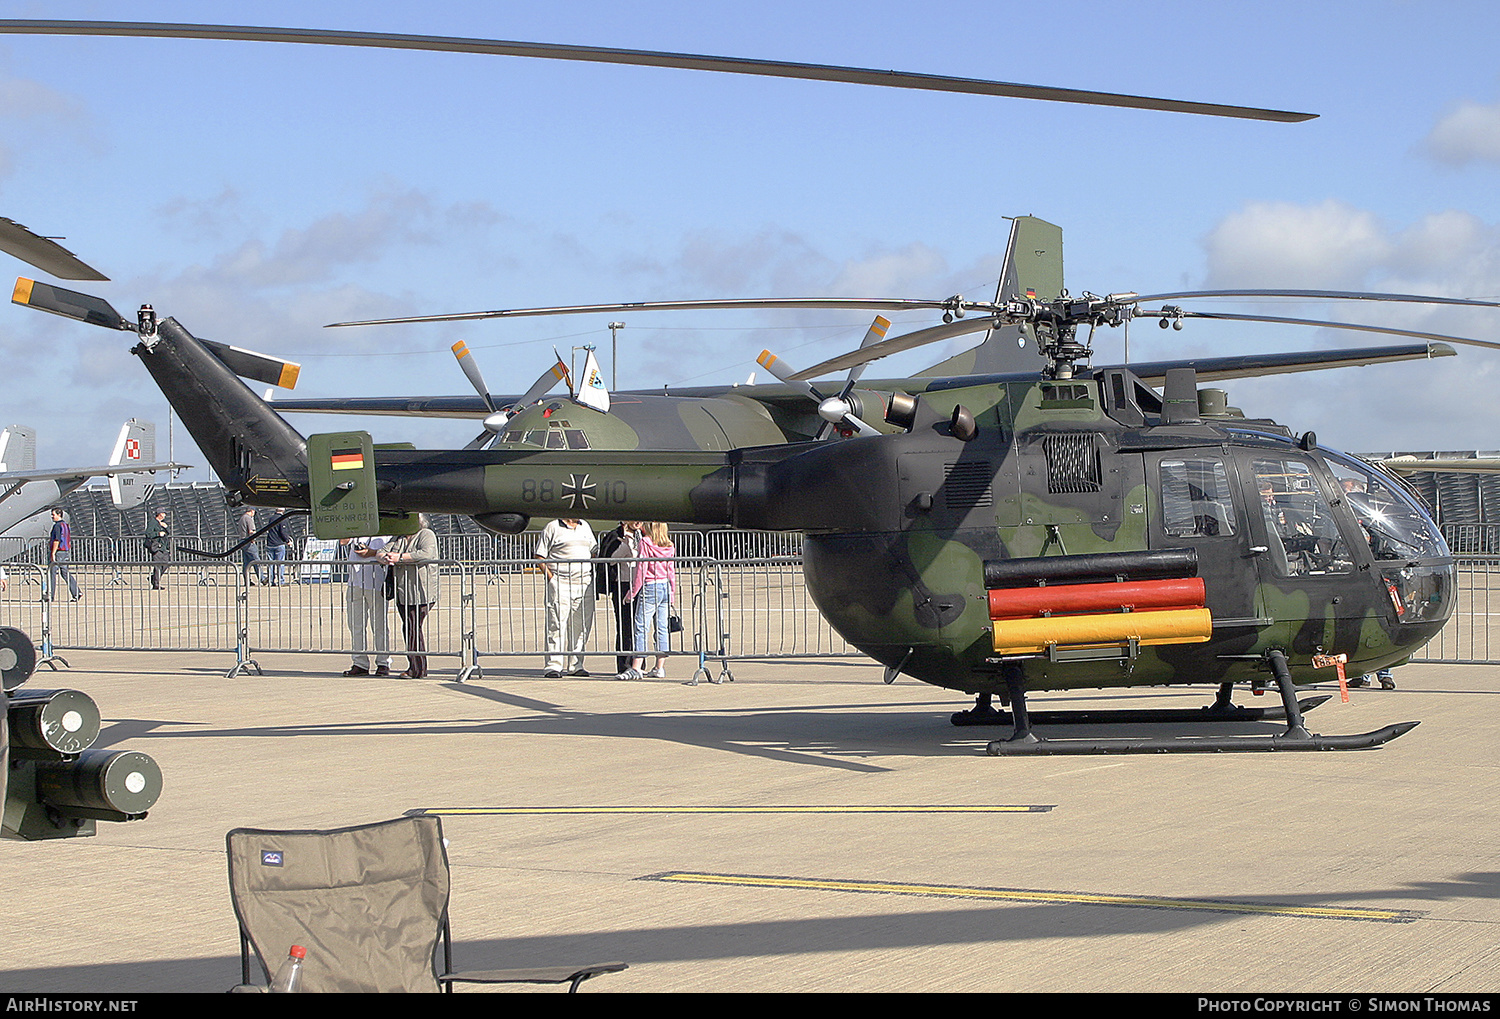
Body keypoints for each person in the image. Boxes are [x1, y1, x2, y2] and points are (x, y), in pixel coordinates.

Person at [534, 517, 596, 678]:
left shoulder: (585, 526)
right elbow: (540, 555)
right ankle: (553, 665)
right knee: (556, 624)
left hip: (584, 583)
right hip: (560, 582)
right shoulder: (552, 527)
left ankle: (576, 665)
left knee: (582, 625)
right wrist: (551, 578)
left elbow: (594, 550)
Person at [378, 518, 439, 679]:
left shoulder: (426, 534)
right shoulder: (399, 537)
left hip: (421, 591)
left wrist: (400, 557)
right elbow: (382, 551)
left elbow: (426, 553)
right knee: (409, 628)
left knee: (412, 627)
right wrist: (385, 557)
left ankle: (416, 669)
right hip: (403, 591)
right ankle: (416, 667)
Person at [618, 522, 676, 681]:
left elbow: (641, 569)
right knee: (662, 627)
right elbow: (671, 571)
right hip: (664, 585)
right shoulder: (669, 545)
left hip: (650, 586)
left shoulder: (646, 542)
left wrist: (633, 592)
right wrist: (672, 592)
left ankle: (637, 666)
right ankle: (660, 666)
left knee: (641, 626)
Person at [340, 534, 391, 677]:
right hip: (354, 581)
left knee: (379, 625)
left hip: (376, 581)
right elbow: (343, 541)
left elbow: (391, 551)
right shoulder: (356, 529)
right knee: (356, 625)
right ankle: (359, 662)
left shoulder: (386, 532)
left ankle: (383, 662)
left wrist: (372, 553)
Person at [596, 521, 641, 674]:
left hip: (640, 585)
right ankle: (624, 664)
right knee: (625, 626)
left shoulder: (643, 535)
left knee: (639, 625)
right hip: (623, 585)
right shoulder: (616, 536)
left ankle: (638, 663)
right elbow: (611, 559)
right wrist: (625, 547)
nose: (637, 522)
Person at [48, 508, 81, 602]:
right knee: (65, 572)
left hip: (59, 552)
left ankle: (51, 595)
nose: (52, 516)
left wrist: (53, 553)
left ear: (59, 515)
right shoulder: (65, 525)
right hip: (65, 551)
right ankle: (76, 592)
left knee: (52, 572)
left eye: (53, 514)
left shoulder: (57, 526)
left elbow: (57, 540)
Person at [238, 506, 264, 585]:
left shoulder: (242, 518)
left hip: (242, 541)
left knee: (246, 563)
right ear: (252, 511)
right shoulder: (249, 518)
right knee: (256, 560)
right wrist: (253, 539)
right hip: (248, 542)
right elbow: (251, 531)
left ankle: (247, 580)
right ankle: (262, 578)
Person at [146, 509, 170, 590]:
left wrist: (166, 527)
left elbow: (169, 533)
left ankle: (153, 578)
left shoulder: (162, 524)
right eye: (163, 513)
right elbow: (148, 533)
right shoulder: (153, 522)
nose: (165, 515)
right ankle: (156, 584)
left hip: (163, 547)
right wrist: (158, 534)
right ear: (159, 514)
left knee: (166, 564)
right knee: (158, 566)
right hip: (156, 547)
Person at [264, 511, 291, 585]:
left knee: (270, 563)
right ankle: (281, 581)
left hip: (270, 543)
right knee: (280, 563)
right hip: (279, 543)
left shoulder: (271, 518)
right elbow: (282, 532)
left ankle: (270, 581)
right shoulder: (282, 518)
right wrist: (287, 540)